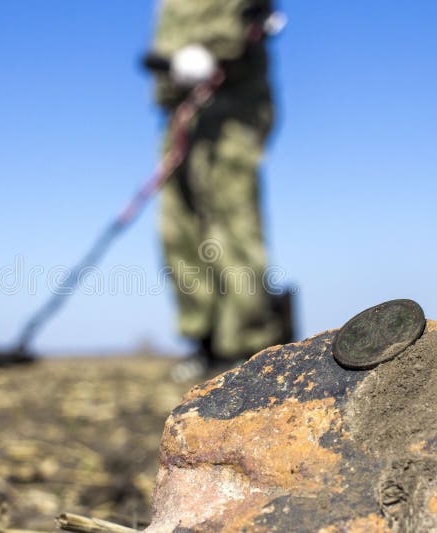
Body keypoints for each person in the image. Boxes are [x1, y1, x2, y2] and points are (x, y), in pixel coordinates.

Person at [145, 0, 294, 380]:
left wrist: (220, 49)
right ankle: (204, 341)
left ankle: (246, 344)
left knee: (231, 225)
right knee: (177, 229)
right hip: (182, 114)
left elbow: (253, 19)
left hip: (233, 112)